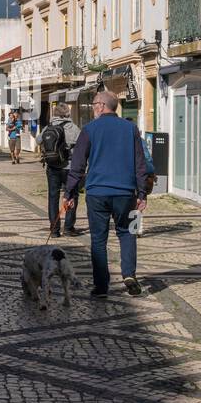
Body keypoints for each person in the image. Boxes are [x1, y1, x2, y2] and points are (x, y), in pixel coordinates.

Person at [64, 91, 148, 298]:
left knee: (99, 240)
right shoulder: (131, 129)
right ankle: (129, 275)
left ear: (102, 106)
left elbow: (78, 165)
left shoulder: (90, 129)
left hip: (97, 193)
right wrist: (142, 193)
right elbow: (140, 163)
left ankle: (101, 286)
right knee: (127, 234)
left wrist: (69, 193)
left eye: (93, 105)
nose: (93, 108)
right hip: (125, 193)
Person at [39, 103, 82, 237]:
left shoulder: (48, 127)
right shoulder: (73, 128)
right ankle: (68, 227)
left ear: (55, 114)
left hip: (52, 167)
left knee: (53, 197)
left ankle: (54, 229)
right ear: (67, 114)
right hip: (69, 167)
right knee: (72, 195)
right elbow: (82, 145)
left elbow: (38, 140)